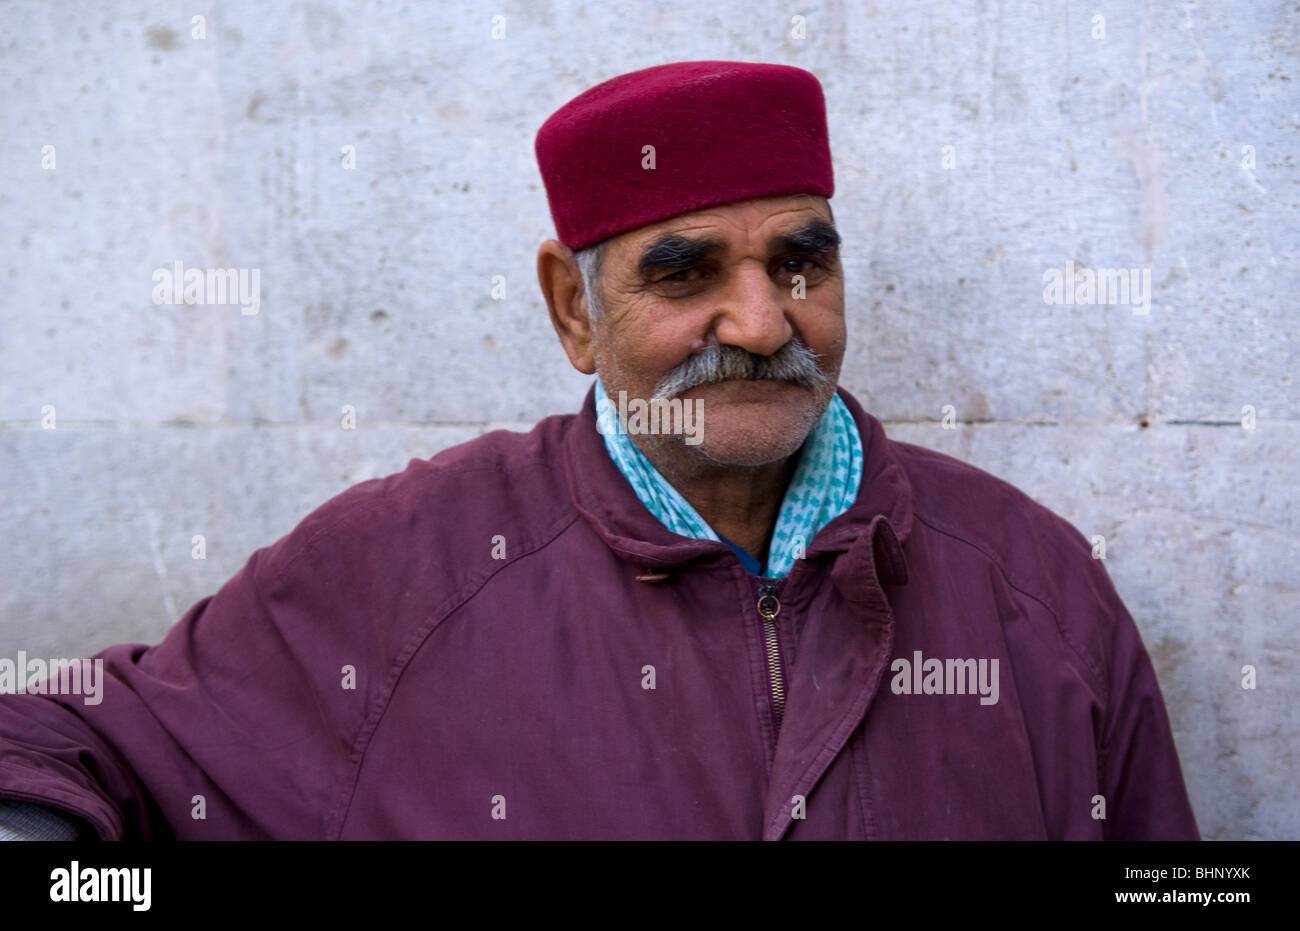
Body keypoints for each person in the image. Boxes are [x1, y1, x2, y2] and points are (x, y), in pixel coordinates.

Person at [0, 60, 1198, 840]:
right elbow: (74, 738)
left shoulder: (1034, 591)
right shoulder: (400, 576)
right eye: (684, 273)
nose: (762, 322)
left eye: (800, 261)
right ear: (574, 313)